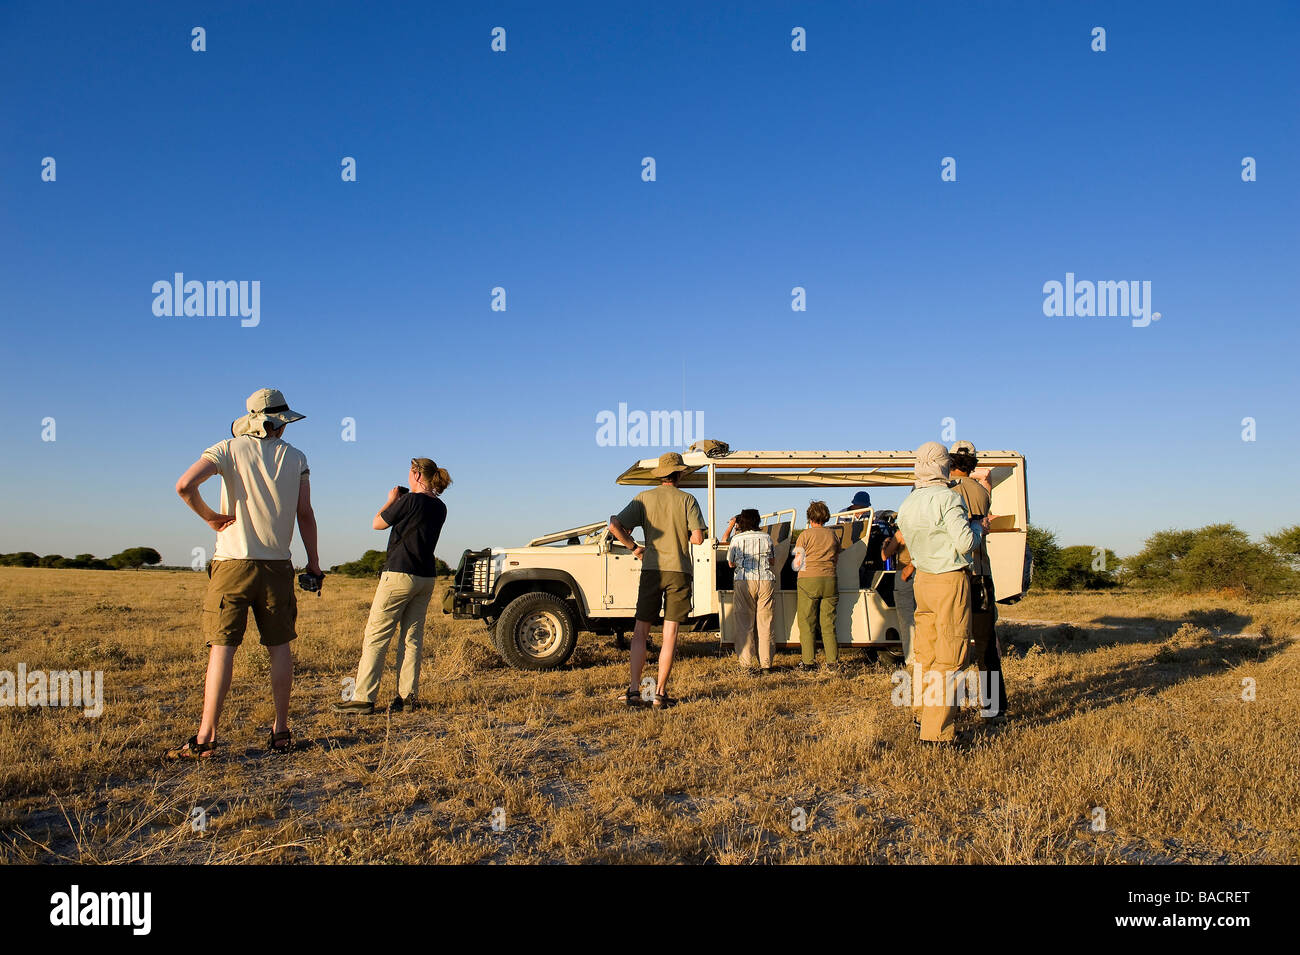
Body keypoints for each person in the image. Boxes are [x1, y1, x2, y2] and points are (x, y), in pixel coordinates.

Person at [168, 388, 320, 758]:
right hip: (278, 566)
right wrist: (313, 562)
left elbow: (185, 486)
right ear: (277, 423)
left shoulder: (226, 449)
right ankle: (281, 732)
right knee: (279, 648)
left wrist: (211, 517)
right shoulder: (297, 458)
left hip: (232, 564)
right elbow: (304, 513)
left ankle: (206, 738)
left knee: (222, 649)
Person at [336, 458, 451, 715]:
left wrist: (391, 500)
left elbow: (378, 523)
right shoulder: (440, 507)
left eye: (411, 474)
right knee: (411, 638)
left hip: (399, 574)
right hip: (426, 577)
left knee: (376, 635)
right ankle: (407, 697)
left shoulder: (409, 501)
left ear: (417, 475)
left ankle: (364, 698)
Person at [896, 441, 985, 746]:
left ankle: (921, 713)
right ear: (943, 466)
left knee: (926, 652)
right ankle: (938, 733)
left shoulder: (908, 503)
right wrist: (978, 528)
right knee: (950, 654)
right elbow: (964, 543)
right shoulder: (948, 499)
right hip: (950, 579)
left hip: (923, 581)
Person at [609, 452, 706, 709]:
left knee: (641, 631)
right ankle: (659, 694)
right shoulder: (688, 500)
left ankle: (634, 691)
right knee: (670, 633)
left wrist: (634, 548)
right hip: (679, 571)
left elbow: (614, 524)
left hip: (652, 568)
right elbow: (697, 538)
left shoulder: (644, 498)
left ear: (661, 475)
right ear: (679, 474)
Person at [948, 440, 1007, 721]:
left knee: (952, 646)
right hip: (981, 575)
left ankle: (951, 706)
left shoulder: (942, 491)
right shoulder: (981, 493)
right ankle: (994, 708)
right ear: (972, 462)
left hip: (954, 576)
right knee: (985, 647)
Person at [792, 500, 841, 673]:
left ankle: (808, 662)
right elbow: (836, 559)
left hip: (808, 580)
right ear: (825, 516)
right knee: (828, 624)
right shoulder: (833, 535)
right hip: (830, 579)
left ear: (810, 516)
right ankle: (833, 662)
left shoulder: (805, 535)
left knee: (807, 623)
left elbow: (798, 562)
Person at [726, 509, 775, 675]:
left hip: (744, 580)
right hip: (766, 580)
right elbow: (772, 561)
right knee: (765, 623)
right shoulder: (767, 537)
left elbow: (731, 563)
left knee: (744, 623)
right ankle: (766, 664)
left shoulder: (737, 539)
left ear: (742, 522)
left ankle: (746, 665)